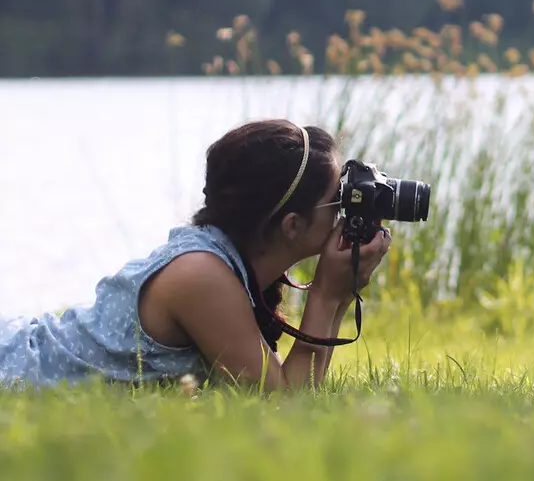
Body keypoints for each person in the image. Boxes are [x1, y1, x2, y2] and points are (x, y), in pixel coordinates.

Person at [0, 119, 391, 392]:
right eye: (336, 200)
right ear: (291, 225)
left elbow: (305, 389)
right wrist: (325, 294)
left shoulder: (226, 261)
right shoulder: (202, 275)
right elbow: (285, 401)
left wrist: (340, 293)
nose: (346, 210)